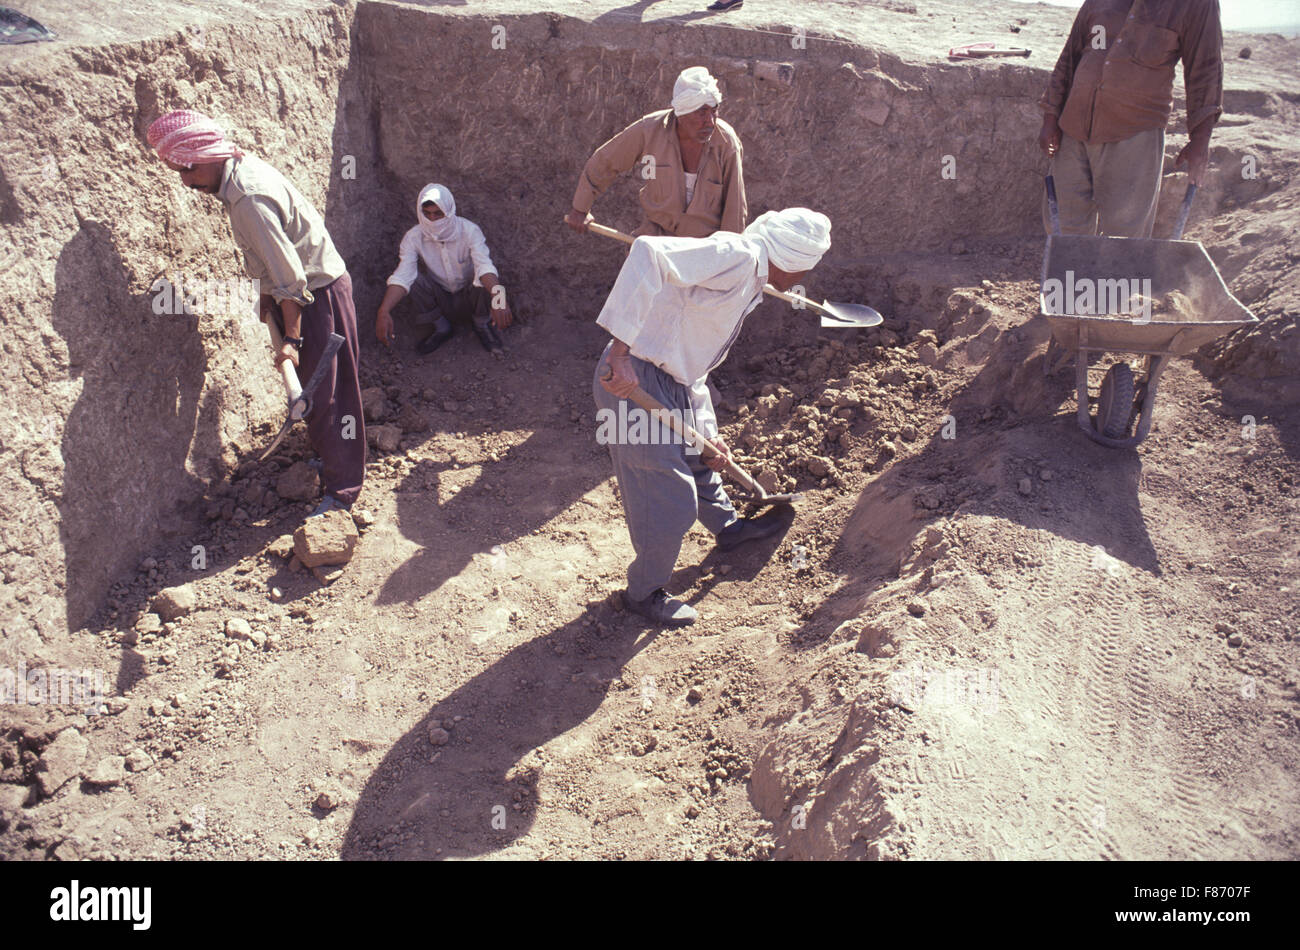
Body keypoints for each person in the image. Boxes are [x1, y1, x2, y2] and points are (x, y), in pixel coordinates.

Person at [593, 208, 831, 627]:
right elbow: (649, 252)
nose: (799, 281)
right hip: (631, 378)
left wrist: (707, 434)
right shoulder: (738, 253)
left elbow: (695, 365)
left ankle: (728, 528)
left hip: (672, 381)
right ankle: (643, 593)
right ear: (791, 259)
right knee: (667, 496)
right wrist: (619, 351)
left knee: (700, 461)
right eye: (803, 270)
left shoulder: (751, 280)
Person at [146, 109, 364, 517]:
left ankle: (342, 492)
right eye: (179, 171)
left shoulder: (247, 198)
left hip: (317, 297)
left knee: (331, 396)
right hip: (299, 296)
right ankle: (331, 461)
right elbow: (273, 263)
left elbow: (291, 277)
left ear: (208, 154)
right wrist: (266, 299)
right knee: (316, 395)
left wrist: (292, 340)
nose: (186, 181)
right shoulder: (237, 174)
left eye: (189, 169)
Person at [1037, 0, 1223, 237]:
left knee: (1125, 235)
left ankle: (1114, 276)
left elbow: (1205, 69)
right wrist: (1051, 116)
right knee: (1063, 226)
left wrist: (1200, 139)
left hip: (1134, 134)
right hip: (1073, 126)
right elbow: (1070, 56)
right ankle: (1070, 275)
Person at [565, 66, 747, 239]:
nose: (710, 122)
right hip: (655, 239)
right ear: (681, 113)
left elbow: (735, 208)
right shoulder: (649, 130)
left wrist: (729, 255)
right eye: (701, 113)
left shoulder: (726, 143)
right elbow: (605, 162)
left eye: (714, 111)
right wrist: (580, 208)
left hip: (703, 247)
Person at [375, 184, 512, 356]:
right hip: (441, 297)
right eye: (427, 214)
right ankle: (442, 328)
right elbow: (403, 275)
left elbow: (484, 264)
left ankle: (482, 324)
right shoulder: (413, 237)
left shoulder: (469, 231)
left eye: (438, 213)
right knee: (413, 278)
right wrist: (384, 310)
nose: (433, 220)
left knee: (484, 277)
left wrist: (499, 297)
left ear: (449, 210)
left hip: (470, 296)